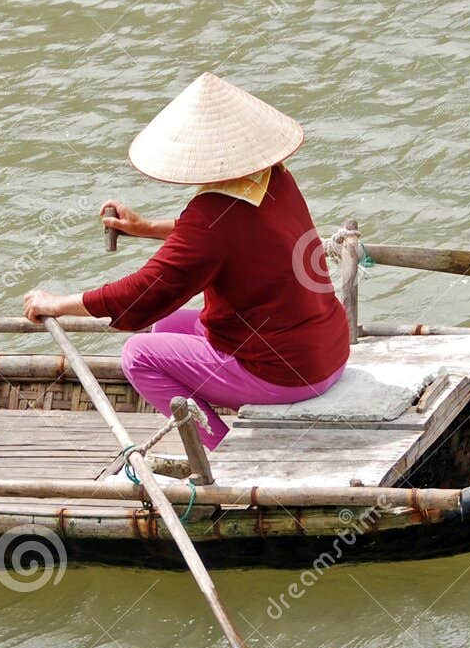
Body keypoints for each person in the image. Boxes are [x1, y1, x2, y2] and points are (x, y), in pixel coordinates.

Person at [22, 72, 349, 449]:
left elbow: (143, 292)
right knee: (163, 329)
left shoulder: (210, 217)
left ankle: (222, 448)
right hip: (328, 350)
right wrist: (145, 228)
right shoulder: (276, 179)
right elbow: (227, 238)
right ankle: (231, 414)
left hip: (289, 373)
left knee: (139, 356)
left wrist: (58, 303)